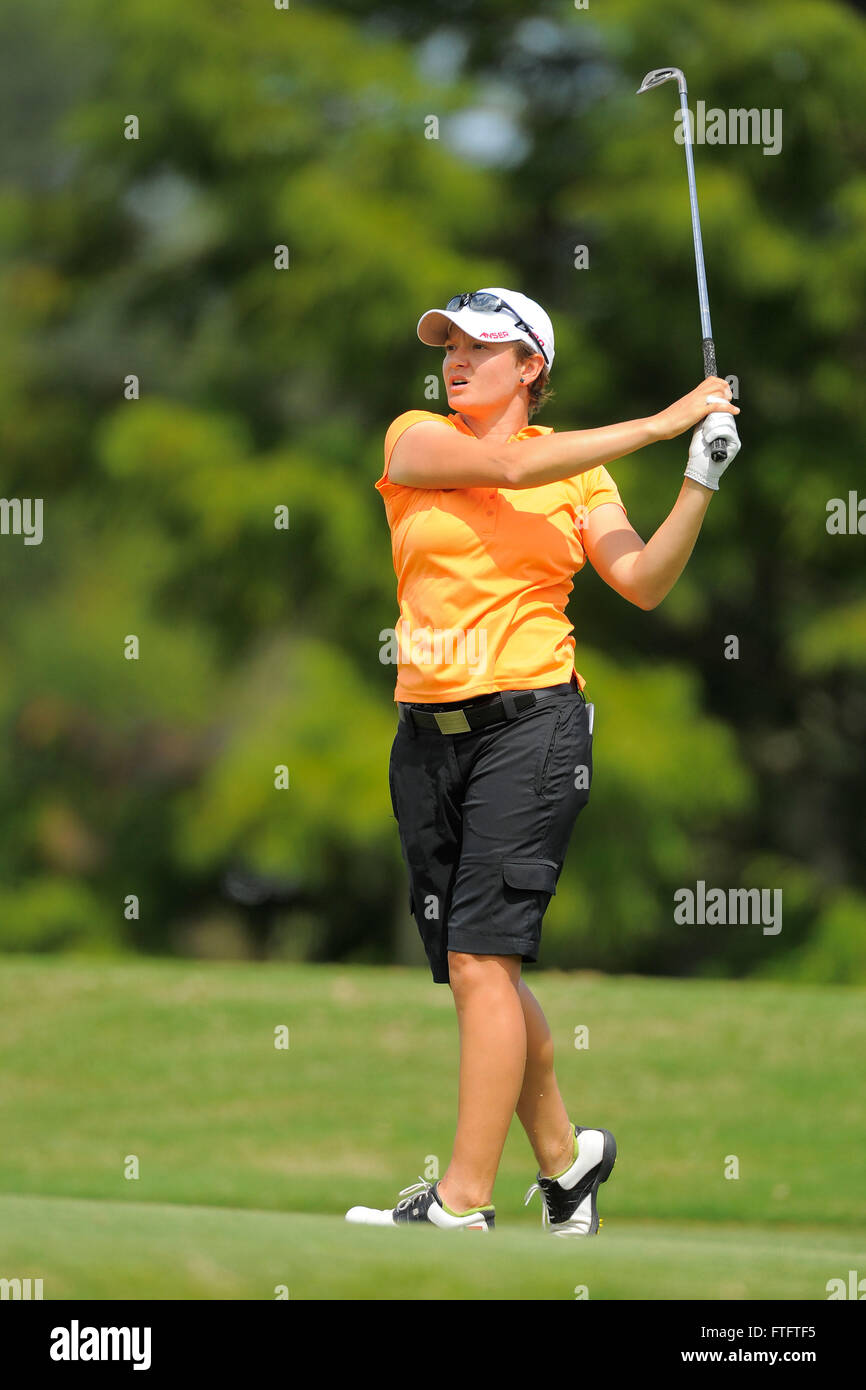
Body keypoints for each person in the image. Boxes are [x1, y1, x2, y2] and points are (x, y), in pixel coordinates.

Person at [345, 287, 740, 1234]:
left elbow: (640, 580)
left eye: (485, 345)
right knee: (476, 969)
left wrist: (699, 478)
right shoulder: (416, 438)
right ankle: (567, 1160)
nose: (458, 359)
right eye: (449, 343)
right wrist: (658, 422)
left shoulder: (579, 477)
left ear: (533, 369)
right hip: (426, 738)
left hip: (534, 728)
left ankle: (461, 1202)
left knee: (485, 959)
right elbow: (505, 466)